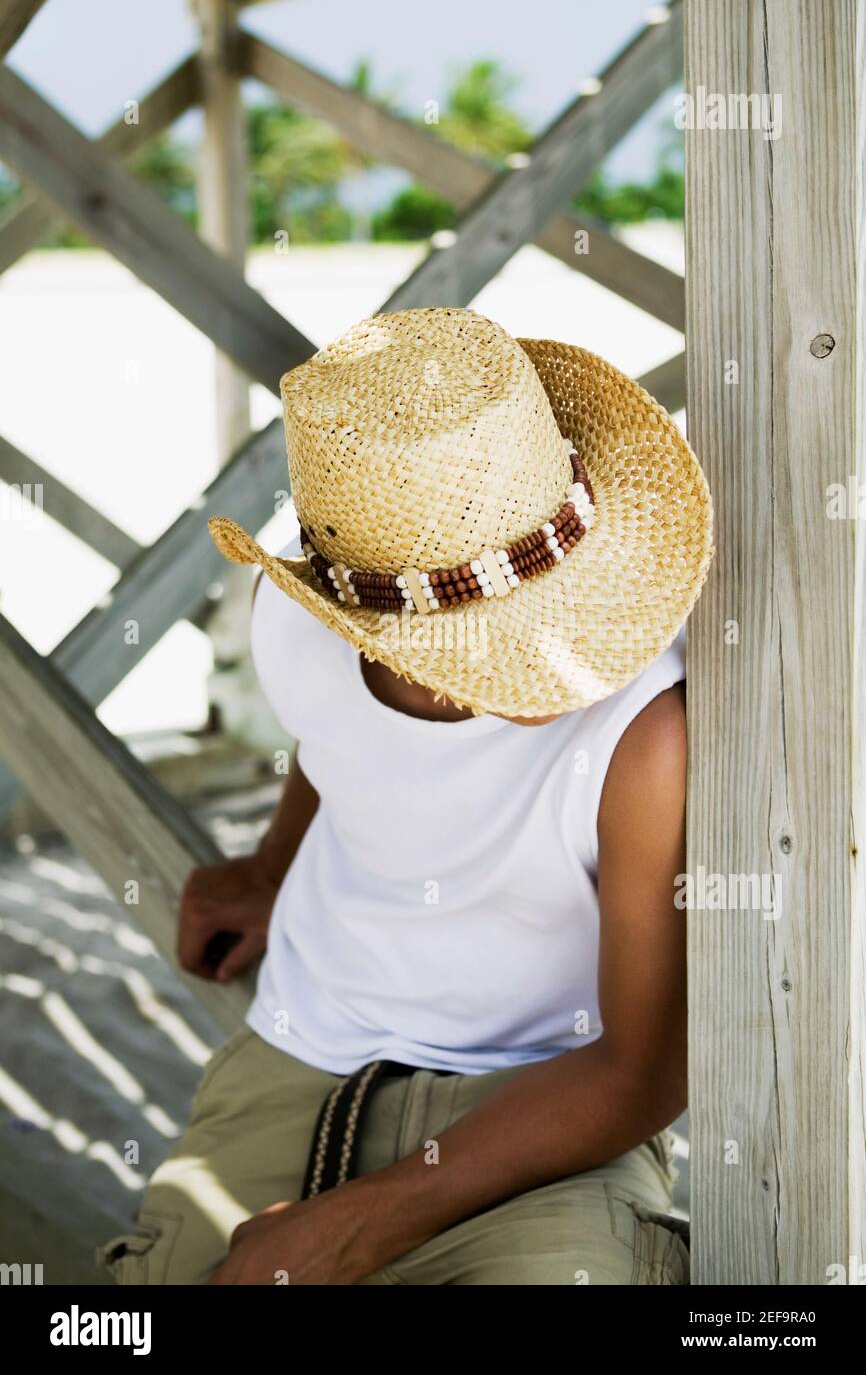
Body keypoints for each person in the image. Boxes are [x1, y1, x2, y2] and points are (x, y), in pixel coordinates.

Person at [98, 306, 712, 1286]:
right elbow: (330, 739)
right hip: (308, 1047)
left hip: (554, 1101)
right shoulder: (296, 628)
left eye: (533, 621)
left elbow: (639, 1074)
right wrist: (270, 864)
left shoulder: (640, 735)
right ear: (356, 626)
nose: (531, 666)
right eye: (456, 652)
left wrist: (351, 1225)